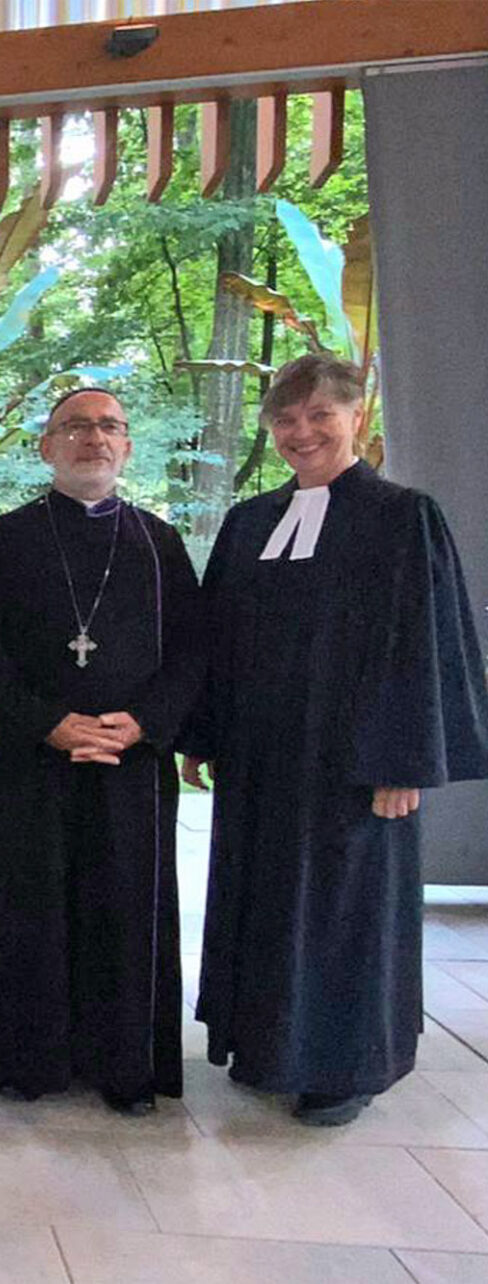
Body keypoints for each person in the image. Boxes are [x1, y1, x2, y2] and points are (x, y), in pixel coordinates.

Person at [182, 354, 488, 1127]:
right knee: (263, 901)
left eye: (321, 415)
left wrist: (404, 759)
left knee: (344, 913)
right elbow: (215, 637)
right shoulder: (252, 522)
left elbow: (423, 642)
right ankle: (263, 1045)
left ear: (357, 416)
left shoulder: (402, 516)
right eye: (286, 420)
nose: (302, 432)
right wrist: (202, 733)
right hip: (259, 763)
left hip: (355, 767)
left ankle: (342, 1068)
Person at [0, 388, 204, 1115]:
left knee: (124, 910)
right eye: (75, 427)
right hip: (30, 758)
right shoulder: (3, 540)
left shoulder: (159, 544)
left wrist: (143, 722)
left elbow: (194, 652)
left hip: (130, 762)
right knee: (27, 908)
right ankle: (25, 1060)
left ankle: (126, 1067)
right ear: (46, 447)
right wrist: (49, 722)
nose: (92, 438)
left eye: (108, 427)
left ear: (127, 446)